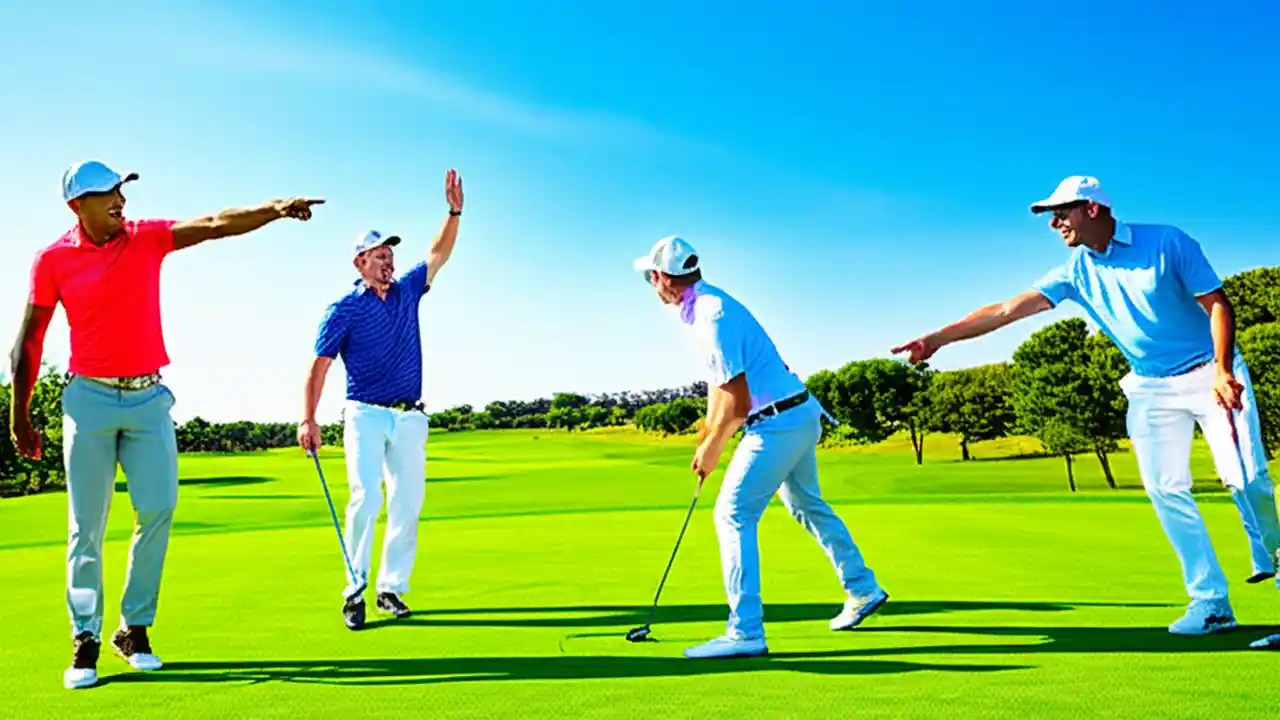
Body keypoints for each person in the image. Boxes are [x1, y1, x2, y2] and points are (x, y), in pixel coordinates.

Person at [892, 176, 1280, 643]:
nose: (1055, 222)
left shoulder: (1167, 242)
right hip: (1150, 386)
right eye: (1051, 215)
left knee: (1245, 476)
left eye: (1062, 212)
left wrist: (1222, 370)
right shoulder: (1075, 271)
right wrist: (937, 338)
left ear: (1093, 209)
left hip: (1211, 370)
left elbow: (1217, 304)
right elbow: (1005, 310)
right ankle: (1210, 602)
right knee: (1165, 489)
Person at [9, 160, 323, 690]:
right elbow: (29, 342)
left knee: (157, 508)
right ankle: (84, 637)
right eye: (106, 194)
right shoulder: (53, 260)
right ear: (76, 206)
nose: (120, 201)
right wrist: (20, 418)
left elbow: (215, 222)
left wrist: (273, 209)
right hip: (88, 400)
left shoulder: (146, 238)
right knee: (86, 525)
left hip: (148, 399)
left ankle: (134, 628)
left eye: (121, 191)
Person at [632, 235, 888, 659]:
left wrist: (715, 447)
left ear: (663, 278)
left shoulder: (712, 315)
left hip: (778, 422)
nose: (650, 285)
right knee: (807, 505)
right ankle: (862, 587)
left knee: (732, 514)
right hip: (797, 413)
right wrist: (707, 438)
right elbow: (722, 388)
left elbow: (738, 400)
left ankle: (745, 631)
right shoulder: (703, 308)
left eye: (649, 278)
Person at [298, 169, 464, 631]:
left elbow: (438, 253)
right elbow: (318, 368)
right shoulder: (344, 309)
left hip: (410, 417)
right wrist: (307, 419)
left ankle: (391, 587)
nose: (389, 262)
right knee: (366, 498)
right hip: (365, 414)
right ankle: (355, 591)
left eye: (391, 254)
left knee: (407, 503)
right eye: (378, 256)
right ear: (359, 264)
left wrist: (453, 212)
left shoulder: (408, 290)